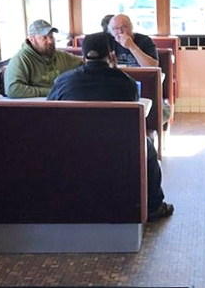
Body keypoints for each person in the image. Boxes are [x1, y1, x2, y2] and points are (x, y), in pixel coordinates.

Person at [47, 33, 174, 221]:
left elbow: (51, 110)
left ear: (83, 58)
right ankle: (154, 206)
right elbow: (132, 109)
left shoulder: (64, 82)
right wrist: (115, 71)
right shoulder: (126, 83)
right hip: (117, 148)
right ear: (112, 55)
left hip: (73, 148)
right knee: (148, 148)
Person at [4, 19, 81, 98]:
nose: (50, 41)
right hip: (36, 107)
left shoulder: (60, 56)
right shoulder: (21, 59)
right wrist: (52, 91)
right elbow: (13, 90)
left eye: (51, 37)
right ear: (32, 40)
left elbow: (84, 62)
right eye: (45, 38)